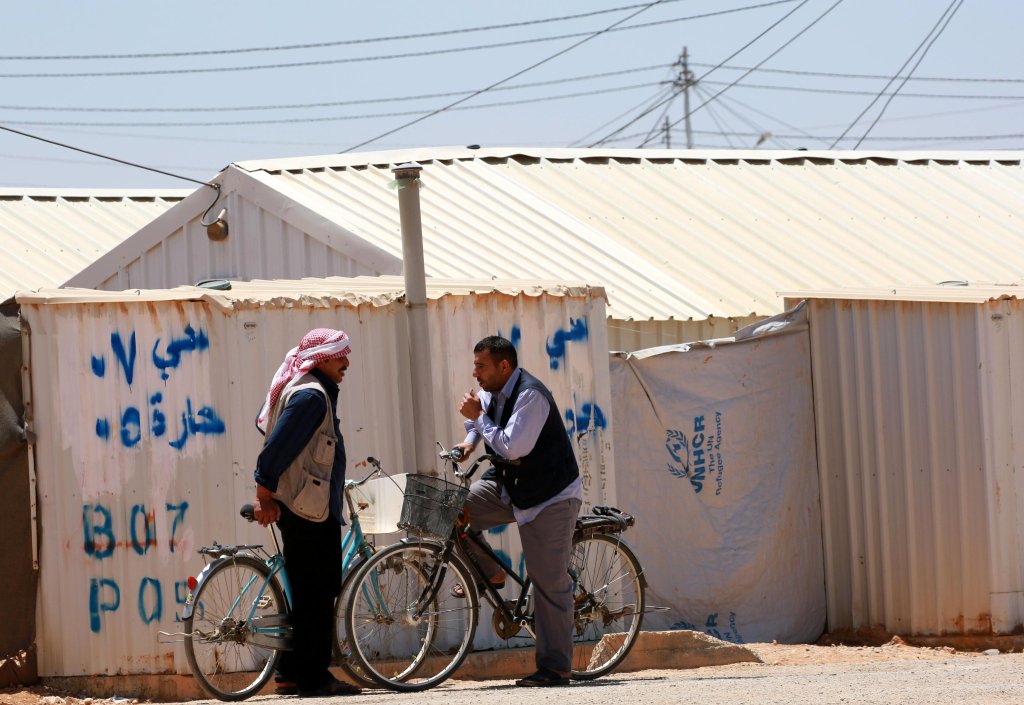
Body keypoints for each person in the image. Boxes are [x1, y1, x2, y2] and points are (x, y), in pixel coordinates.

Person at [452, 335, 582, 688]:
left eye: (481, 366)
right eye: (475, 365)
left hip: (549, 494)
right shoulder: (492, 391)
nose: (475, 373)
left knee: (548, 583)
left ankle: (555, 668)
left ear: (504, 366)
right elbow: (477, 421)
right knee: (451, 511)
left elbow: (511, 447)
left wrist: (479, 420)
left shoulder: (530, 396)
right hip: (510, 484)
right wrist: (469, 442)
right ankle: (490, 572)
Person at [252, 328, 361, 697]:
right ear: (321, 358)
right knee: (316, 593)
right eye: (339, 356)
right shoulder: (311, 396)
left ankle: (290, 672)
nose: (345, 363)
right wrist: (263, 494)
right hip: (307, 510)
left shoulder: (311, 391)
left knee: (308, 591)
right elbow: (276, 448)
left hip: (309, 505)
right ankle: (314, 679)